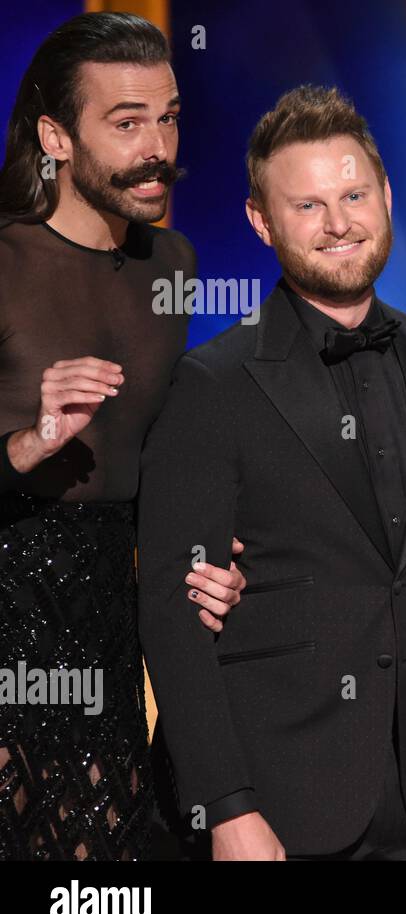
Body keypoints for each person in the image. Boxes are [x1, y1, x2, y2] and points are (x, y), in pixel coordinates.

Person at [136, 85, 406, 860]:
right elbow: (174, 615)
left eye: (354, 194)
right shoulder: (212, 385)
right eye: (308, 206)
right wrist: (226, 808)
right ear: (261, 222)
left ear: (387, 195)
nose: (339, 224)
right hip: (282, 805)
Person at [0, 12, 242, 861]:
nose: (157, 144)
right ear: (54, 137)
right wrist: (27, 444)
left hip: (121, 622)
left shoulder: (172, 264)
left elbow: (165, 452)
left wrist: (210, 542)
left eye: (169, 117)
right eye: (127, 121)